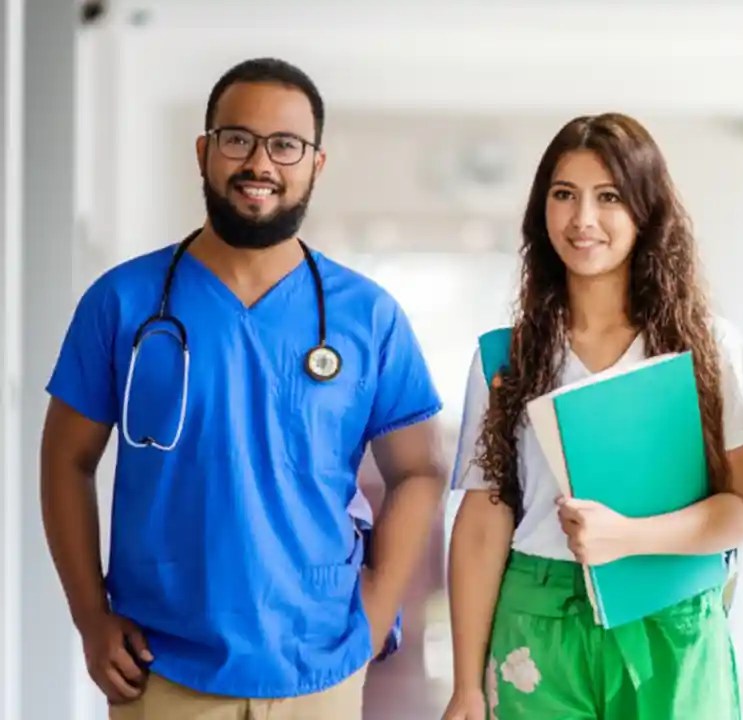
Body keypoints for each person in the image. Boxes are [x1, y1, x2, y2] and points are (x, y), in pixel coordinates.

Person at [40, 57, 449, 718]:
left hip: (319, 666)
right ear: (204, 152)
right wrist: (90, 614)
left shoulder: (366, 315)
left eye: (286, 145)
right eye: (238, 140)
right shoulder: (122, 301)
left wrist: (377, 609)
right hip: (164, 665)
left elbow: (419, 471)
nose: (260, 163)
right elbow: (66, 458)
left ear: (316, 164)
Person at [441, 113, 743, 720]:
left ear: (646, 211)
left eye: (609, 197)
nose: (582, 219)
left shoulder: (707, 349)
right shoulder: (505, 357)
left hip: (669, 619)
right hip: (536, 628)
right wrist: (465, 685)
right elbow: (484, 520)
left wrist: (626, 537)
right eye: (564, 195)